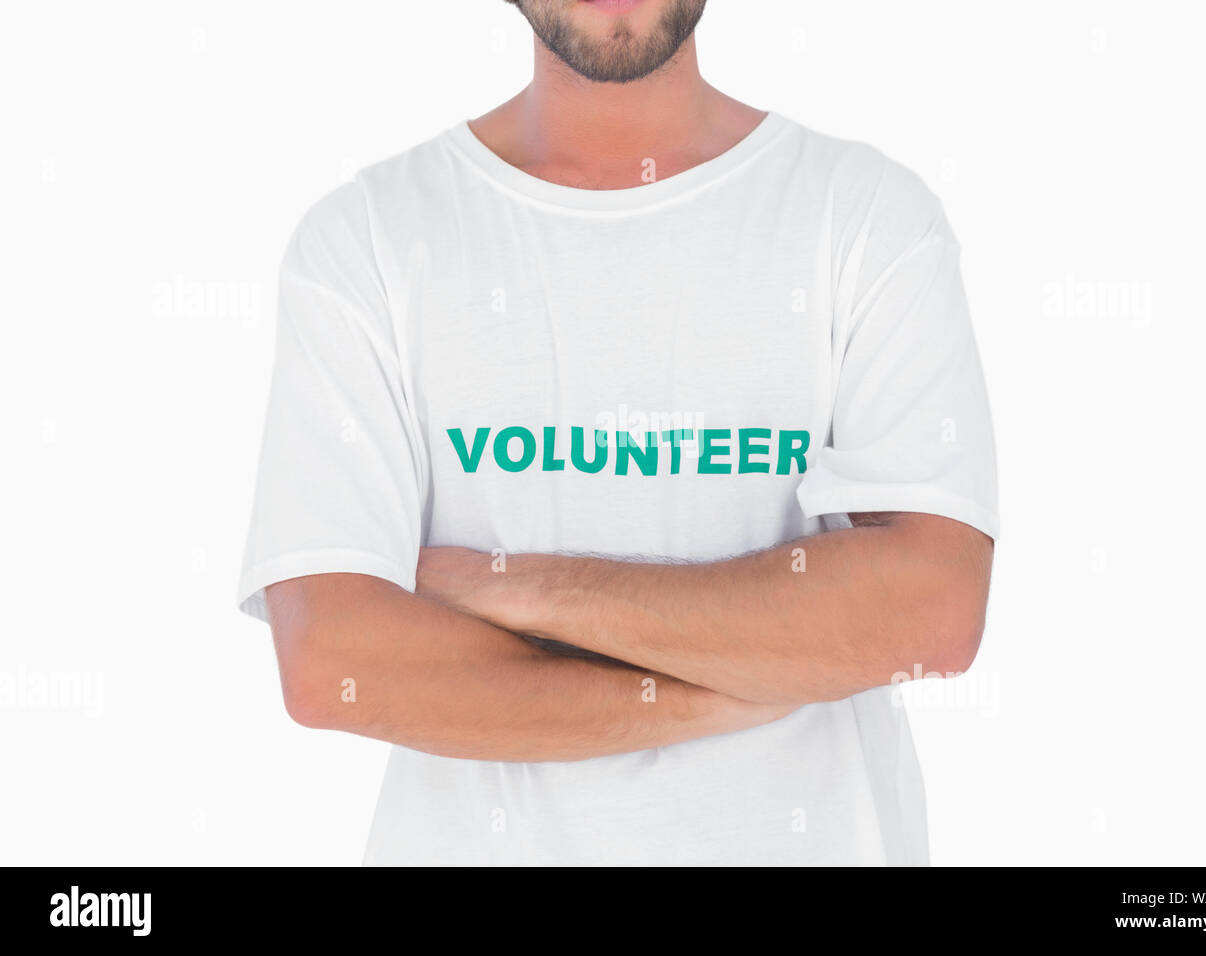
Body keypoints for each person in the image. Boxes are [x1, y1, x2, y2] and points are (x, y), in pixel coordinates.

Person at [237, 0, 998, 866]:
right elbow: (336, 661)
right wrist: (724, 687)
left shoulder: (868, 219)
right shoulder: (366, 241)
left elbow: (932, 608)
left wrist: (529, 589)